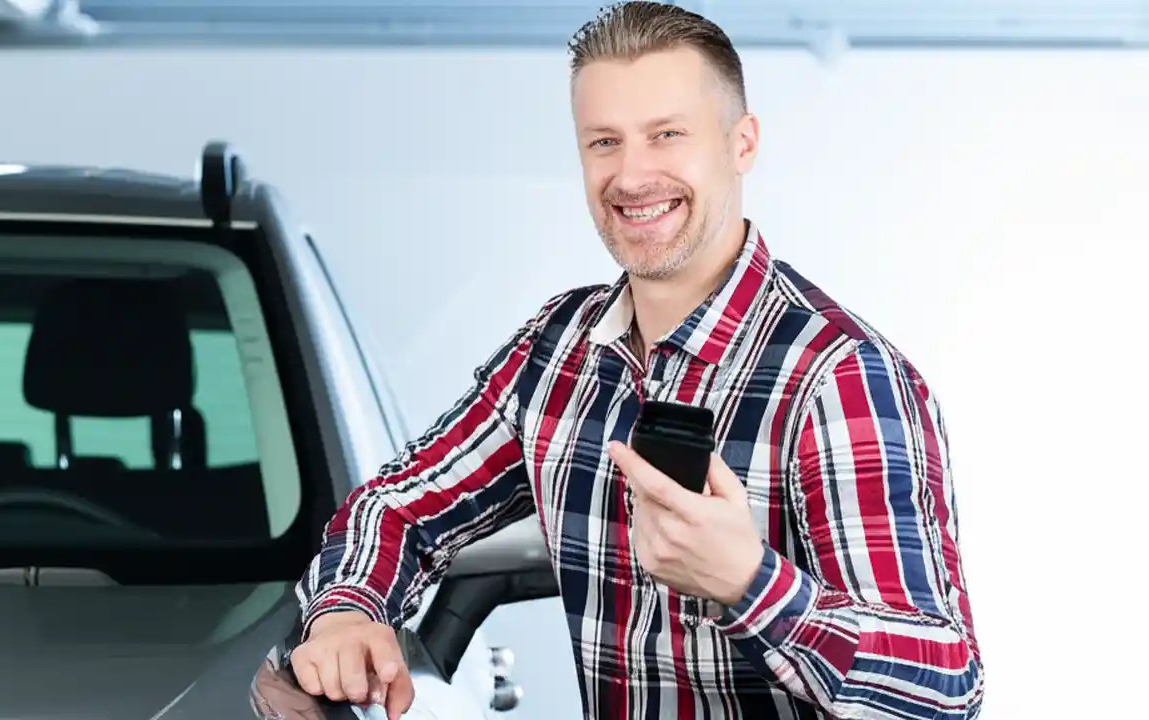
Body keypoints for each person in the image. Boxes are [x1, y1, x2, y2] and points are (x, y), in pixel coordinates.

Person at [261, 2, 984, 718]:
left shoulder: (841, 377)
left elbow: (945, 686)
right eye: (603, 142)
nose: (632, 176)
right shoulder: (558, 351)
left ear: (742, 144)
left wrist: (751, 583)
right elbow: (400, 506)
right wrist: (346, 610)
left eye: (667, 135)